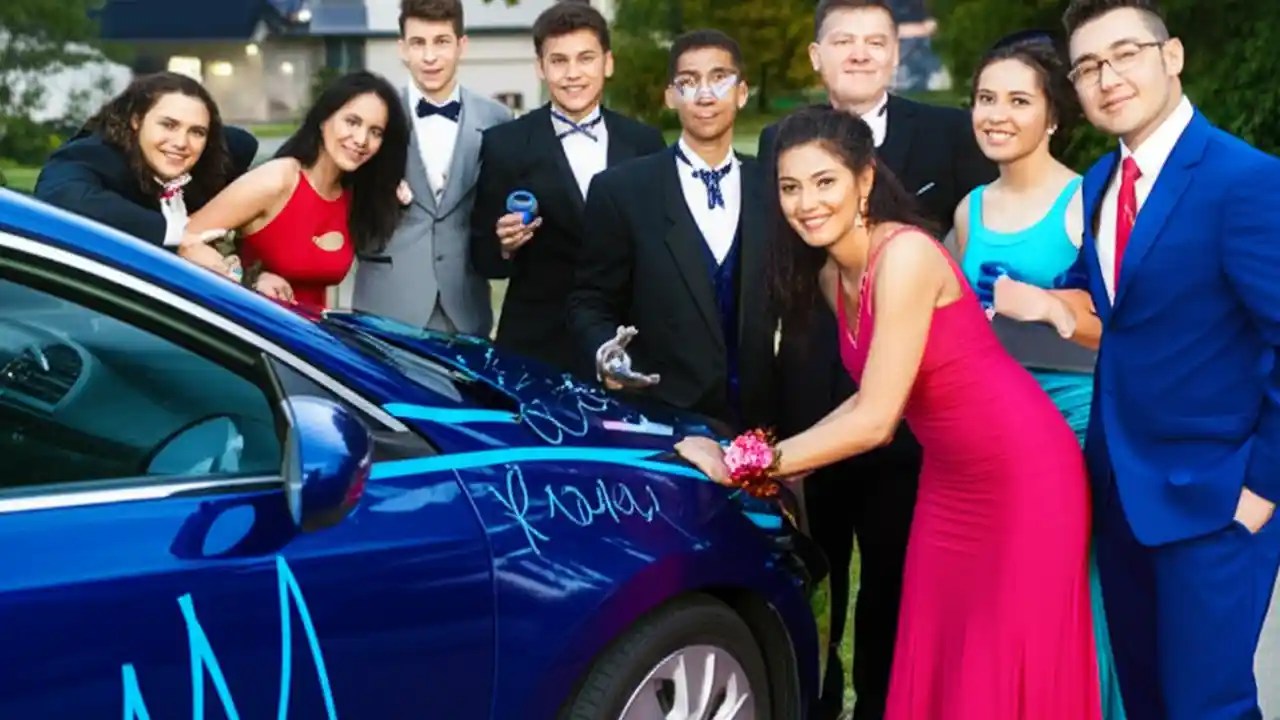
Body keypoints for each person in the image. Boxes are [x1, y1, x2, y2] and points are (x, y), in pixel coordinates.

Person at [676, 105, 1101, 719]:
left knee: (1000, 656)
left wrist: (745, 463)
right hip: (950, 482)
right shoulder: (830, 277)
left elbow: (876, 421)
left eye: (825, 182)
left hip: (1024, 476)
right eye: (790, 187)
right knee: (934, 648)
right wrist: (780, 464)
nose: (806, 203)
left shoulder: (905, 256)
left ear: (865, 180)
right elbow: (870, 395)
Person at [1002, 1, 1280, 717]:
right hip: (1121, 494)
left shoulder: (1244, 181)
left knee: (1206, 706)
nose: (1108, 77)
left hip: (1216, 502)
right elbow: (1124, 301)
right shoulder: (1098, 184)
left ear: (1173, 55)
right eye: (1090, 66)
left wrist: (1259, 493)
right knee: (1146, 699)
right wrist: (1043, 301)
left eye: (1126, 53)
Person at [755, 2, 996, 716]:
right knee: (809, 574)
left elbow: (978, 244)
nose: (859, 54)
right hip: (813, 403)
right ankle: (814, 702)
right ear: (816, 55)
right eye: (843, 41)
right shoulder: (778, 140)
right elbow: (770, 278)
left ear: (896, 54)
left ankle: (882, 705)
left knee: (893, 582)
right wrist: (764, 418)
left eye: (875, 42)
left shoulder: (950, 134)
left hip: (910, 411)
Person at [956, 32, 1126, 720]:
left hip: (1072, 426)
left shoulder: (1088, 202)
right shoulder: (969, 209)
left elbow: (1120, 329)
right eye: (986, 98)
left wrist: (1050, 307)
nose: (996, 114)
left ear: (1053, 115)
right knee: (999, 600)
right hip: (989, 435)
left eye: (1018, 101)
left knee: (1066, 598)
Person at [568, 30, 775, 429]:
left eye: (720, 79)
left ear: (742, 92)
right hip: (661, 417)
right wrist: (607, 354)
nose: (704, 94)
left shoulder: (772, 184)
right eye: (688, 82)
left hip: (760, 418)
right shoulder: (621, 190)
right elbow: (589, 300)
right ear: (670, 96)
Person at [469, 1, 665, 375]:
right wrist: (504, 245)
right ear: (540, 68)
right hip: (535, 345)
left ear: (608, 63)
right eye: (559, 61)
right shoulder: (504, 144)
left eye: (585, 58)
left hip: (625, 341)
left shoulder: (645, 143)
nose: (572, 73)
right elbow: (483, 257)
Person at [180, 71, 409, 311]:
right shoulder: (278, 179)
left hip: (306, 341)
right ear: (323, 120)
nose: (362, 139)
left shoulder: (353, 195)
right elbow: (186, 240)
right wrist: (249, 278)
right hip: (250, 335)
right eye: (352, 122)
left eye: (376, 132)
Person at [351, 0, 512, 336]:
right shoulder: (373, 115)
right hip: (385, 306)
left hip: (466, 307)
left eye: (441, 41)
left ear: (461, 45)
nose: (429, 56)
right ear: (402, 49)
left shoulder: (497, 120)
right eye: (418, 43)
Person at [34, 72, 258, 248]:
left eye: (197, 131)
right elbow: (62, 196)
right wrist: (176, 236)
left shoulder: (220, 157)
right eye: (168, 125)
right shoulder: (96, 155)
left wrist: (257, 271)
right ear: (136, 121)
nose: (181, 142)